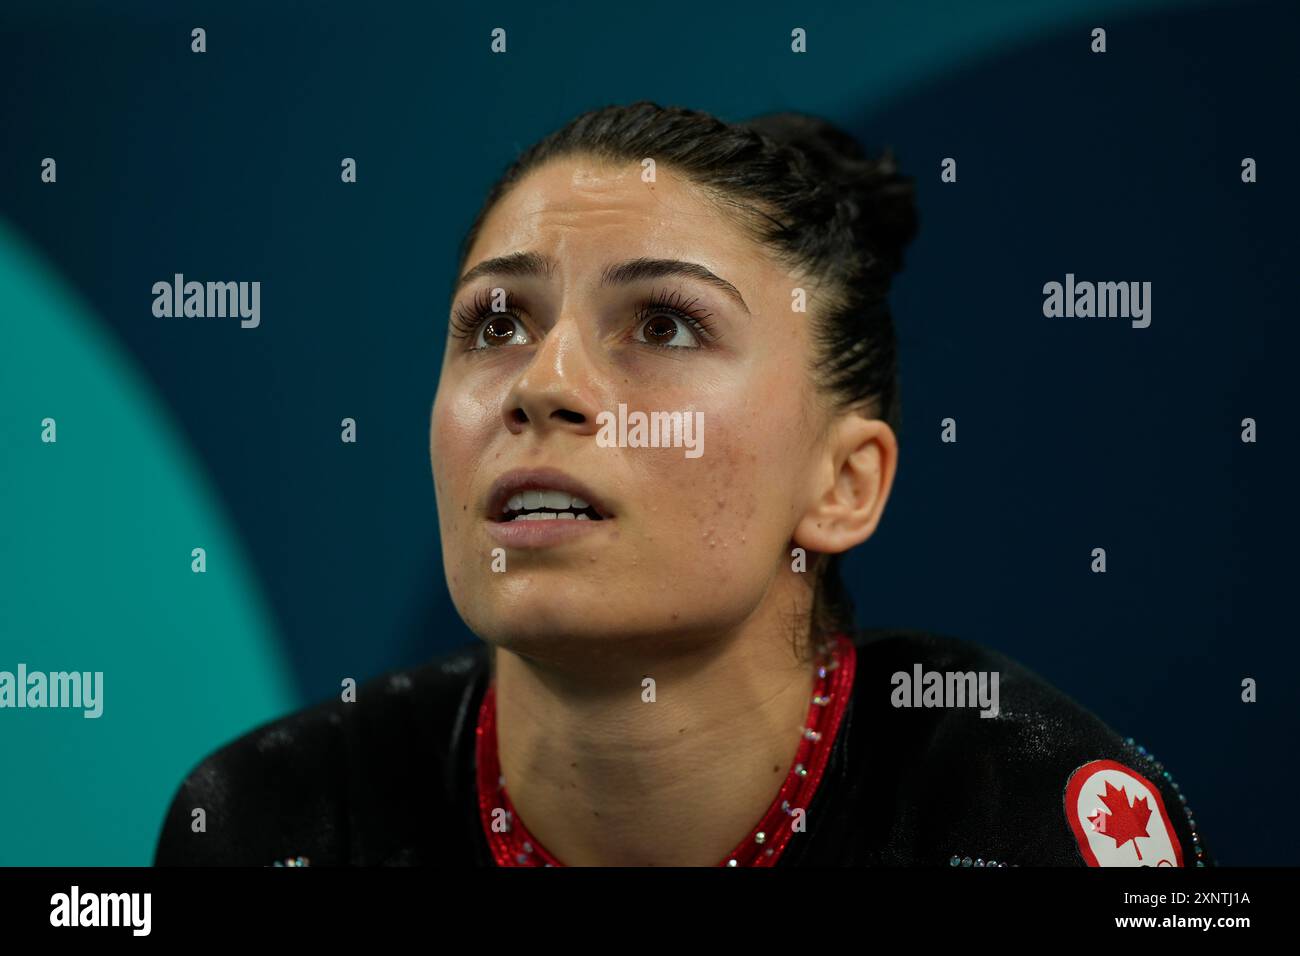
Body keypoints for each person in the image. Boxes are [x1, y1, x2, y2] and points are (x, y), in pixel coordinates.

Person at [154, 101, 1210, 867]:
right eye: (497, 322)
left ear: (842, 483)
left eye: (662, 323)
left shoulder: (1021, 812)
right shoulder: (266, 823)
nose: (542, 382)